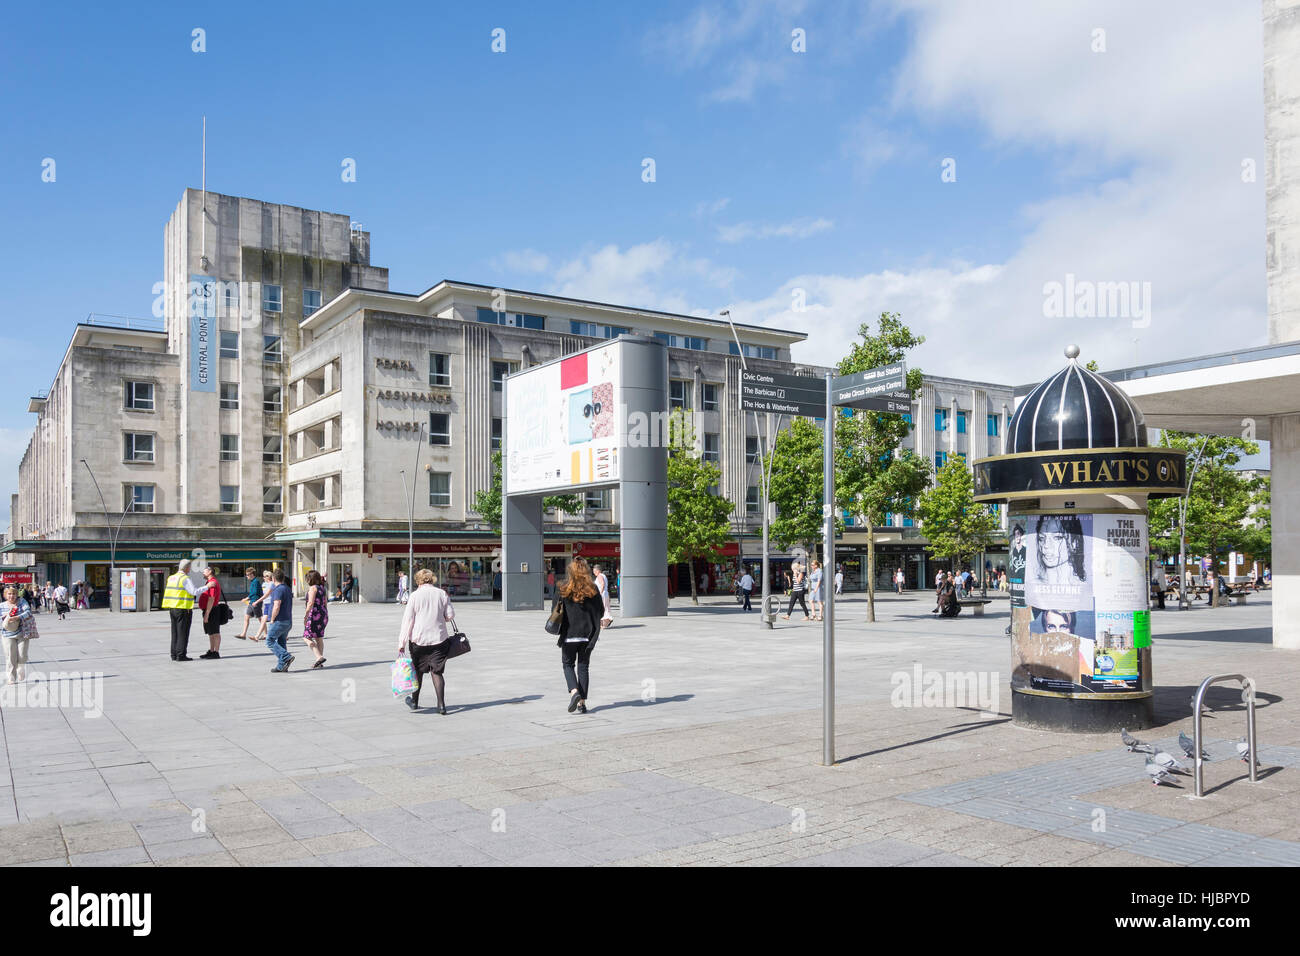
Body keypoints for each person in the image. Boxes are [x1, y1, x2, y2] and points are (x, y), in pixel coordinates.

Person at [551, 558, 605, 714]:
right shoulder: (593, 589)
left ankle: (574, 692)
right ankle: (581, 703)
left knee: (567, 664)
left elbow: (555, 610)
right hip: (587, 635)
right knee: (583, 666)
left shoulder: (562, 587)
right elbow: (600, 611)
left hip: (569, 634)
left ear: (571, 571)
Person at [398, 568, 457, 713]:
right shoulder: (442, 593)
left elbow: (408, 620)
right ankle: (441, 705)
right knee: (437, 672)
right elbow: (450, 616)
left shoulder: (414, 596)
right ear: (432, 579)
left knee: (418, 671)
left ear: (418, 580)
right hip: (439, 640)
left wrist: (402, 644)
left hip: (419, 640)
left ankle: (414, 702)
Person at [161, 559, 203, 662]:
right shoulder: (185, 578)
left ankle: (174, 654)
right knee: (183, 632)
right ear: (187, 568)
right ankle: (181, 655)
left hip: (172, 607)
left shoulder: (171, 578)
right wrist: (207, 587)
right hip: (183, 608)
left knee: (174, 632)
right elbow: (194, 592)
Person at [0, 586, 39, 683]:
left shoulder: (22, 602)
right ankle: (11, 677)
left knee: (22, 655)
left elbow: (28, 612)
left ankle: (21, 667)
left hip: (22, 632)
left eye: (13, 594)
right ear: (5, 595)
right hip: (7, 634)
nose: (11, 596)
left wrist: (18, 617)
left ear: (17, 594)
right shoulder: (2, 606)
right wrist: (4, 617)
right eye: (9, 594)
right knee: (10, 656)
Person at [264, 568, 295, 672]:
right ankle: (281, 666)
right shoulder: (287, 588)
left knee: (269, 640)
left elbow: (276, 606)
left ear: (273, 578)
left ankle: (286, 657)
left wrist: (272, 619)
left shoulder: (278, 590)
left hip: (279, 620)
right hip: (288, 620)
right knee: (281, 642)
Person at [302, 569, 329, 668]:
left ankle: (319, 657)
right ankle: (319, 662)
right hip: (323, 613)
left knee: (306, 637)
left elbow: (310, 603)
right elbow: (325, 602)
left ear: (310, 579)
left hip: (314, 614)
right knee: (319, 638)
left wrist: (306, 616)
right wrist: (326, 614)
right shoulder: (322, 588)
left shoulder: (313, 588)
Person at [197, 566, 225, 659]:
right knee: (210, 632)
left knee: (215, 632)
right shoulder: (209, 582)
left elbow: (211, 599)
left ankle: (216, 652)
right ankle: (211, 650)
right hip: (209, 610)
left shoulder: (212, 582)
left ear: (209, 572)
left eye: (204, 571)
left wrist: (207, 614)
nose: (203, 572)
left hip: (212, 610)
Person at [237, 567, 261, 640]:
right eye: (246, 574)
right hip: (252, 602)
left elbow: (254, 593)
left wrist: (246, 598)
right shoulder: (253, 582)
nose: (246, 576)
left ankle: (266, 634)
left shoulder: (256, 581)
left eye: (247, 575)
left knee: (260, 619)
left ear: (252, 574)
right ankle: (243, 634)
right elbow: (252, 593)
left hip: (255, 602)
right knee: (246, 617)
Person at [592, 563, 613, 627]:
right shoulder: (604, 575)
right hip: (605, 593)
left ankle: (605, 621)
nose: (594, 573)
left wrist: (600, 593)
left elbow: (602, 584)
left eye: (594, 571)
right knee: (605, 608)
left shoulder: (599, 576)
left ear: (598, 570)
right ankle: (605, 622)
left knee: (601, 608)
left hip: (602, 594)